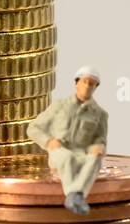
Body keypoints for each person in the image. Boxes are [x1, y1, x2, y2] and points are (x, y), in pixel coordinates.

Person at [26, 66, 109, 215]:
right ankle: (76, 195)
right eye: (84, 82)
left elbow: (100, 138)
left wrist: (98, 147)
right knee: (67, 156)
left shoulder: (100, 114)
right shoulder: (59, 106)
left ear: (96, 87)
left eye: (92, 84)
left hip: (82, 155)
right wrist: (48, 141)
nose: (87, 86)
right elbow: (33, 128)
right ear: (76, 83)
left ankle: (73, 195)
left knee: (95, 160)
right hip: (60, 151)